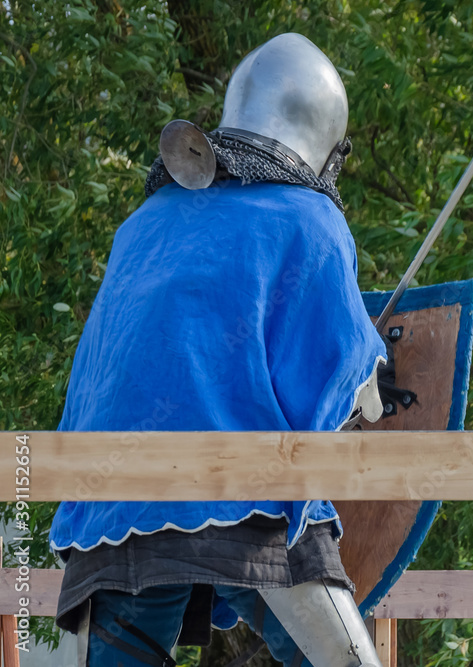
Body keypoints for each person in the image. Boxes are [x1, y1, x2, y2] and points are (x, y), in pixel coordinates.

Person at [50, 33, 385, 666]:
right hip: (246, 499)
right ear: (323, 140)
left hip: (113, 505)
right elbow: (341, 373)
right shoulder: (308, 219)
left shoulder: (142, 225)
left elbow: (98, 377)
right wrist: (371, 382)